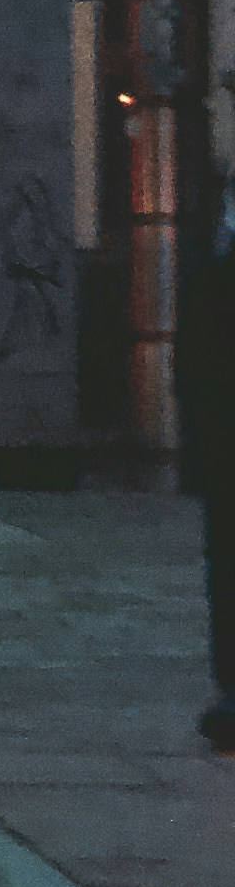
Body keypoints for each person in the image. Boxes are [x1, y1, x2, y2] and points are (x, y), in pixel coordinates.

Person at [182, 193, 235, 753]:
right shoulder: (209, 285)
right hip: (224, 451)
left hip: (224, 451)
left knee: (226, 569)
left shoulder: (208, 284)